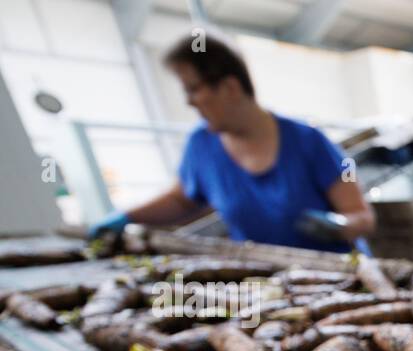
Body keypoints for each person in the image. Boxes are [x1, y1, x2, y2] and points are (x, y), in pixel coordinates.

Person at [89, 34, 375, 253]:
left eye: (194, 89)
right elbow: (180, 200)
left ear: (230, 87)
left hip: (343, 280)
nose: (188, 101)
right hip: (268, 281)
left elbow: (362, 217)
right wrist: (125, 217)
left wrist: (340, 226)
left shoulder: (309, 141)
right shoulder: (200, 146)